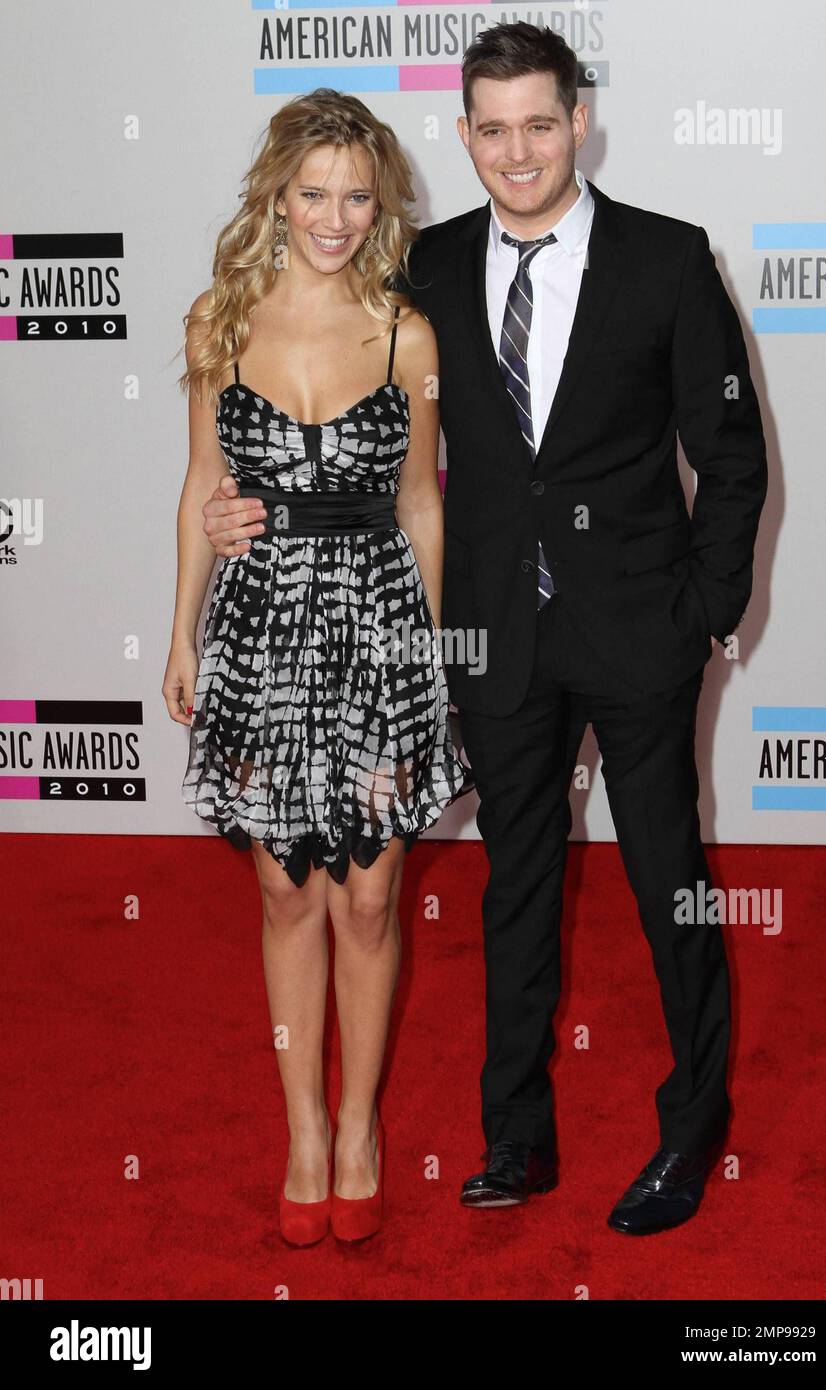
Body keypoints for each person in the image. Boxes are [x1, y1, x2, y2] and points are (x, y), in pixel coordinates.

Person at [199, 23, 768, 1236]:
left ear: (579, 125)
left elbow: (728, 455)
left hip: (637, 631)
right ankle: (515, 1130)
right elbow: (342, 406)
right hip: (494, 637)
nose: (518, 150)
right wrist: (230, 497)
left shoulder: (666, 260)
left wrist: (703, 614)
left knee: (669, 877)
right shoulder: (430, 270)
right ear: (463, 136)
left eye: (540, 124)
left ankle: (689, 1125)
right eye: (493, 128)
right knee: (517, 883)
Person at [162, 90, 474, 1246]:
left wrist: (429, 661)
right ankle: (300, 1129)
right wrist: (184, 631)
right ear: (277, 196)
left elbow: (420, 507)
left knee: (372, 892)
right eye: (313, 193)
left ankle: (358, 1126)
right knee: (287, 889)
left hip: (376, 632)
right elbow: (201, 493)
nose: (335, 217)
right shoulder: (218, 320)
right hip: (256, 632)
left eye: (356, 195)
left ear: (379, 202)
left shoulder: (407, 334)